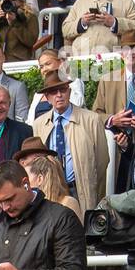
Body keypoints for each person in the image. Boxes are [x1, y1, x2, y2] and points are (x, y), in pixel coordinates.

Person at [33, 70, 109, 214]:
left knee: (82, 230)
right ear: (47, 97)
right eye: (54, 92)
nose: (59, 95)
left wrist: (89, 183)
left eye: (63, 90)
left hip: (80, 188)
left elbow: (102, 161)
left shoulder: (91, 120)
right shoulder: (39, 124)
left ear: (69, 91)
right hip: (51, 189)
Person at [23, 151, 84, 219]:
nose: (24, 183)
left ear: (40, 179)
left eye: (27, 177)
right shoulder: (31, 207)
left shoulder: (68, 203)